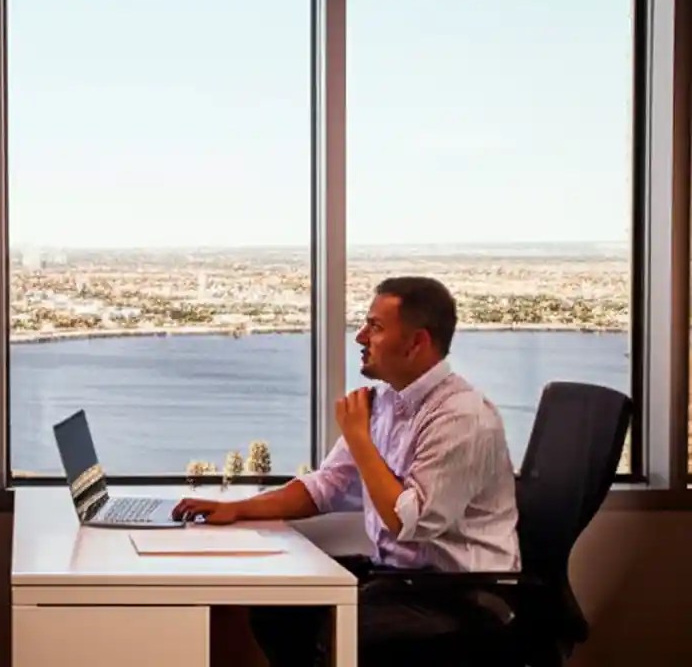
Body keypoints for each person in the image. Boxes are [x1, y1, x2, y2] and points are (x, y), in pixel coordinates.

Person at [172, 276, 520, 666]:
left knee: (331, 631)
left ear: (417, 342)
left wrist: (359, 438)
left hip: (459, 594)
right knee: (272, 606)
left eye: (375, 326)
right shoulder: (386, 402)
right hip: (401, 580)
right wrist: (240, 508)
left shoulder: (461, 416)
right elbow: (327, 486)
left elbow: (409, 521)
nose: (360, 337)